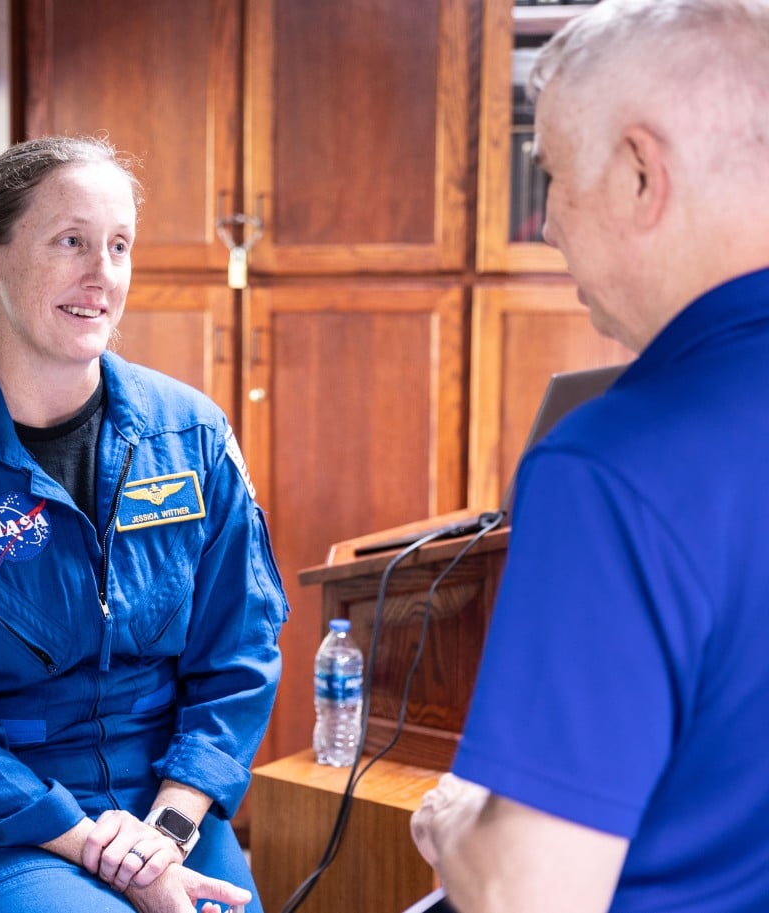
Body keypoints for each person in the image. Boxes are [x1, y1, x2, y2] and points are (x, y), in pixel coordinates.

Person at [0, 135, 290, 913]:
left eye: (118, 246)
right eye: (70, 241)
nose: (100, 273)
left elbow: (239, 653)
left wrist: (169, 830)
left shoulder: (194, 434)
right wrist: (101, 850)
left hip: (163, 808)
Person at [410, 1, 769, 911]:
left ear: (643, 174)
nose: (546, 227)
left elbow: (529, 896)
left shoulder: (613, 467)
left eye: (554, 178)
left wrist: (454, 826)